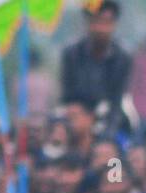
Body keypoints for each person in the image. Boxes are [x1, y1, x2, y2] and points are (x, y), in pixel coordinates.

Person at [60, 0, 131, 137]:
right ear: (88, 23)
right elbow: (67, 95)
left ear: (114, 24)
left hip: (108, 114)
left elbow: (117, 98)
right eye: (97, 21)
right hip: (76, 113)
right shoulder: (72, 53)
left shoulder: (122, 57)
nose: (101, 28)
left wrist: (107, 132)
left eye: (106, 22)